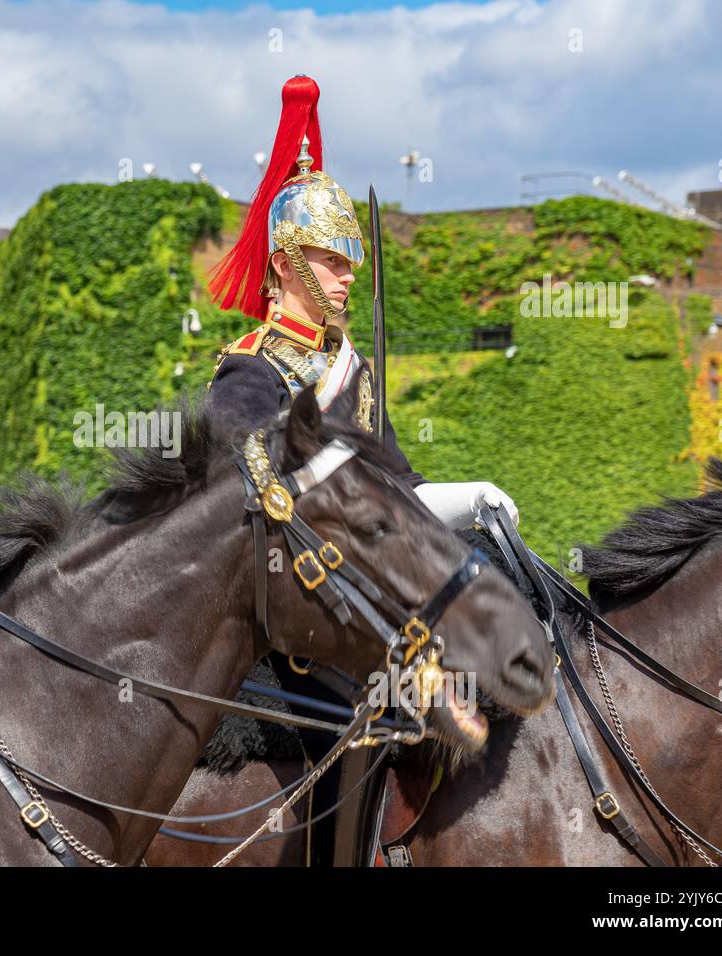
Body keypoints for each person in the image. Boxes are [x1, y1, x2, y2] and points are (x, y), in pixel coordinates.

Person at [205, 74, 519, 865]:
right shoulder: (251, 369)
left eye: (350, 261)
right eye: (331, 260)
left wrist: (469, 502)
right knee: (366, 712)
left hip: (366, 590)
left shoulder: (353, 371)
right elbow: (259, 496)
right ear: (285, 266)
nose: (347, 275)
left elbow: (399, 493)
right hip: (292, 609)